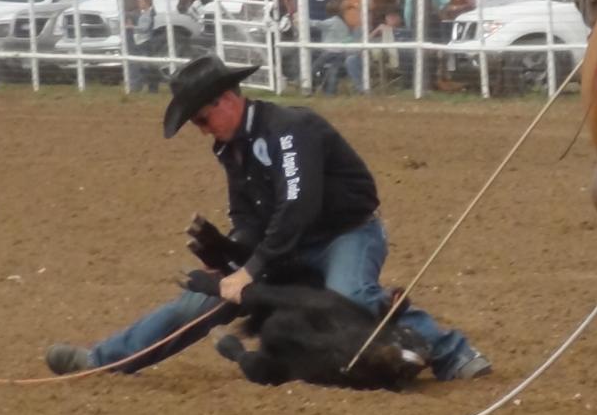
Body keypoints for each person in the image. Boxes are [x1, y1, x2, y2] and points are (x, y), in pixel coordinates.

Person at [45, 55, 492, 381]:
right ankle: (108, 359)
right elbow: (248, 215)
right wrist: (229, 258)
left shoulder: (289, 128)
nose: (202, 130)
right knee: (200, 301)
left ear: (226, 101)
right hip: (288, 245)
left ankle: (451, 352)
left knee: (350, 298)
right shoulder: (231, 148)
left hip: (347, 234)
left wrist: (252, 270)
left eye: (201, 119)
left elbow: (298, 205)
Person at [126, 0, 159, 93]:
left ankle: (151, 88)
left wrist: (132, 27)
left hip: (145, 42)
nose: (139, 4)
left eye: (141, 2)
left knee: (146, 66)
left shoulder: (148, 15)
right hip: (141, 41)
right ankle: (148, 87)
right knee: (143, 65)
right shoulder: (145, 14)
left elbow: (145, 28)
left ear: (147, 3)